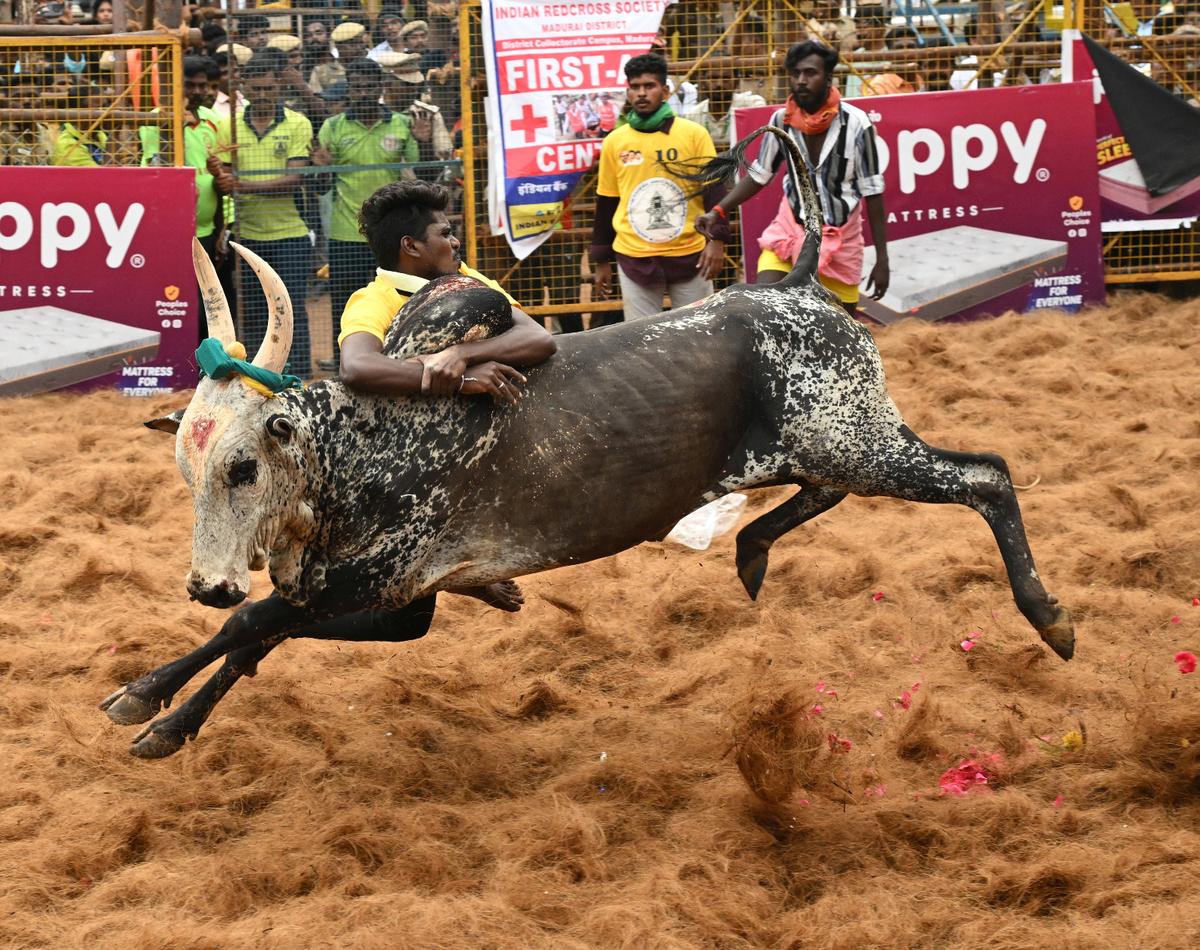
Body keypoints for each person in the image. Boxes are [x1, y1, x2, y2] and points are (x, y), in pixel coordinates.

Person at [695, 40, 889, 317]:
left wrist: (882, 260)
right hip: (789, 231)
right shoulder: (780, 119)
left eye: (810, 73)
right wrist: (718, 210)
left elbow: (873, 190)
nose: (801, 80)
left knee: (837, 327)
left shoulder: (858, 124)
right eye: (795, 74)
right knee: (767, 307)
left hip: (841, 240)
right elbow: (760, 175)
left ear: (828, 77)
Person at [338, 179, 555, 402]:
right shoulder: (372, 299)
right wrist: (462, 380)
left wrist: (460, 355)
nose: (456, 242)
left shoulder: (464, 275)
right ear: (411, 246)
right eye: (445, 234)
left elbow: (537, 338)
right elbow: (356, 366)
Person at [590, 53, 730, 321]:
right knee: (641, 338)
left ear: (664, 91)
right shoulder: (614, 142)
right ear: (628, 92)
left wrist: (717, 241)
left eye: (649, 86)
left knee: (699, 332)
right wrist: (601, 261)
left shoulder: (694, 134)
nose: (641, 93)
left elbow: (715, 190)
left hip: (691, 253)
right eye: (635, 87)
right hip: (633, 256)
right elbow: (606, 203)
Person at [313, 58, 419, 370]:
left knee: (397, 298)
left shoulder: (401, 123)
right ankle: (342, 360)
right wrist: (320, 169)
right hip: (346, 233)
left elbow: (424, 168)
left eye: (369, 86)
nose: (363, 93)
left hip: (392, 233)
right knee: (346, 300)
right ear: (350, 90)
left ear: (380, 88)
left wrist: (424, 141)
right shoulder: (333, 127)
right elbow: (320, 185)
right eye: (357, 87)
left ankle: (395, 358)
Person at [214, 49, 314, 376]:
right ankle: (258, 372)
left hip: (290, 234)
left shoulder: (297, 123)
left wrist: (240, 185)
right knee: (255, 308)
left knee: (289, 305)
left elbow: (294, 179)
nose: (262, 95)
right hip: (247, 234)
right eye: (255, 89)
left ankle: (297, 371)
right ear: (243, 86)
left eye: (268, 88)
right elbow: (223, 181)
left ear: (279, 88)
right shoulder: (230, 126)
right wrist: (225, 185)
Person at [183, 54, 235, 344]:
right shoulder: (154, 121)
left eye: (203, 86)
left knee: (207, 305)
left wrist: (221, 229)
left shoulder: (214, 121)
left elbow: (220, 180)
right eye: (190, 85)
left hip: (205, 231)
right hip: (168, 232)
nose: (198, 92)